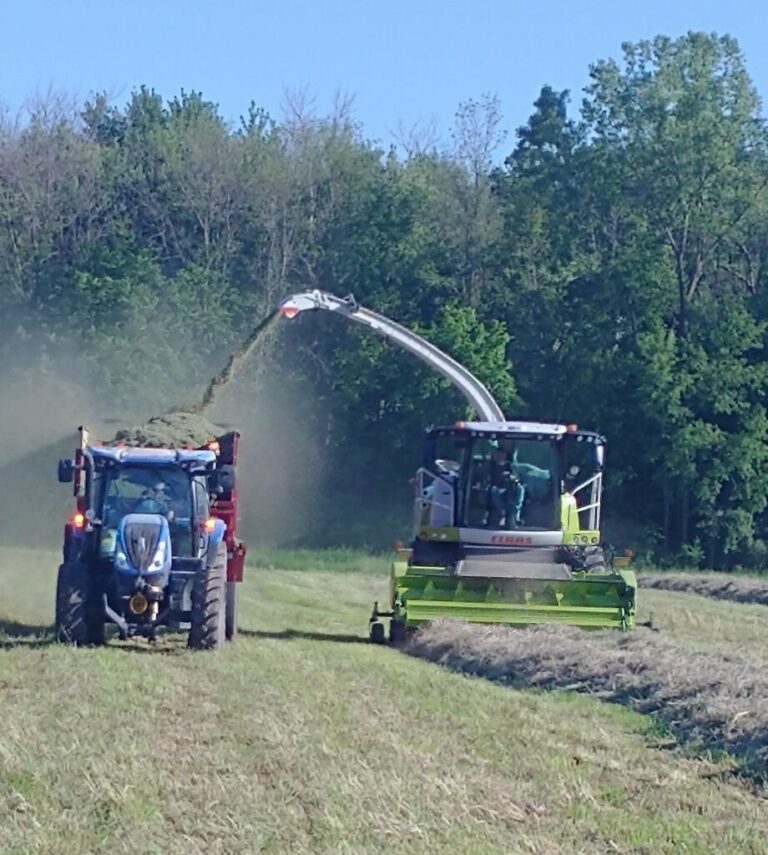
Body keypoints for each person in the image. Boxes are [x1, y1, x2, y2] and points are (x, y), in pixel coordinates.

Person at [488, 447, 525, 528]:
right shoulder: (491, 466)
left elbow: (517, 477)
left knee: (520, 489)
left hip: (510, 487)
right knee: (494, 491)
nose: (500, 456)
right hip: (496, 488)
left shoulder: (510, 465)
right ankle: (503, 513)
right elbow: (488, 478)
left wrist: (513, 477)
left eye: (502, 454)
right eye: (499, 454)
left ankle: (515, 515)